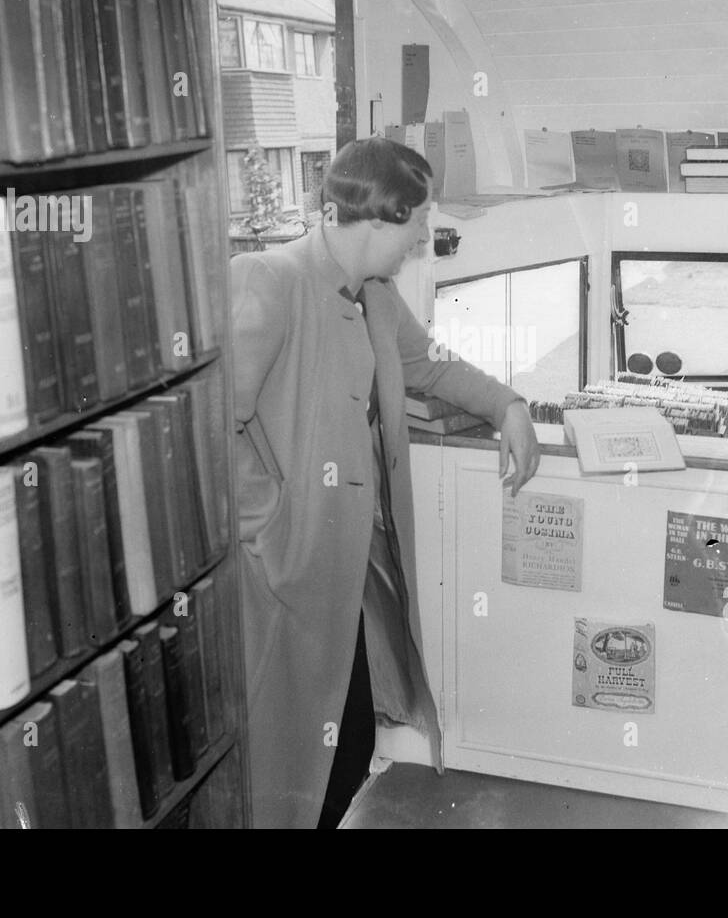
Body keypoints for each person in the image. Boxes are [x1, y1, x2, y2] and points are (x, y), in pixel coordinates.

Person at [230, 137, 541, 828]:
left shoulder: (374, 295)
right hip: (281, 576)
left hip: (349, 572)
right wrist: (268, 523)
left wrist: (508, 404)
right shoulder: (269, 279)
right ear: (378, 218)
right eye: (416, 221)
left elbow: (430, 363)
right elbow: (213, 425)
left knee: (347, 747)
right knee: (283, 767)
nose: (422, 236)